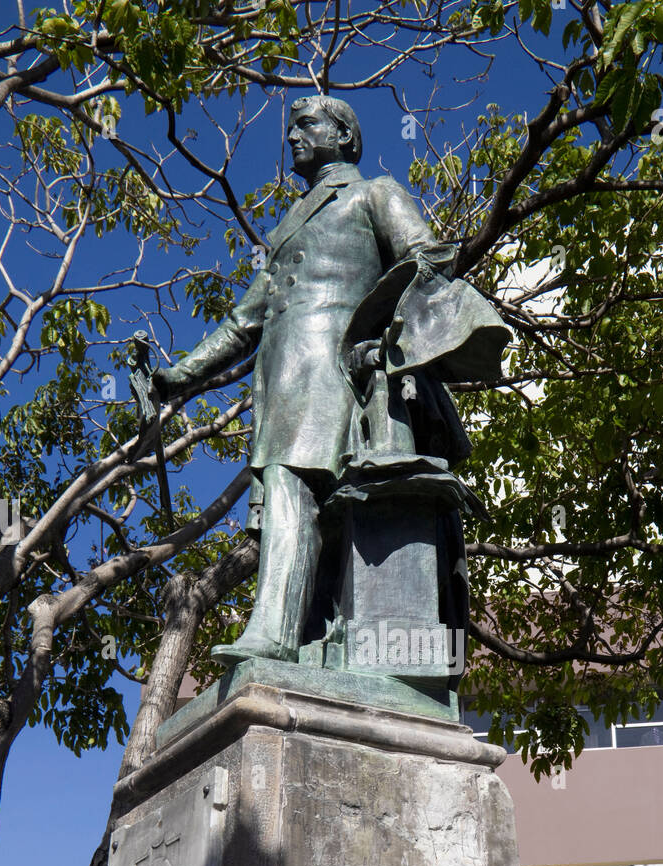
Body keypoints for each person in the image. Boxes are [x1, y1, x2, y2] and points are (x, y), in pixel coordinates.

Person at [153, 95, 506, 664]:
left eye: (305, 123)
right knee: (300, 499)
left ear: (344, 136)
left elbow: (429, 261)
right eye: (289, 126)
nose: (291, 135)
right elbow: (244, 322)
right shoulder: (286, 227)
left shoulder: (375, 194)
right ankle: (317, 634)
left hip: (338, 375)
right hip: (283, 382)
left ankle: (274, 631)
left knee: (295, 487)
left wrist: (381, 336)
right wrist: (180, 376)